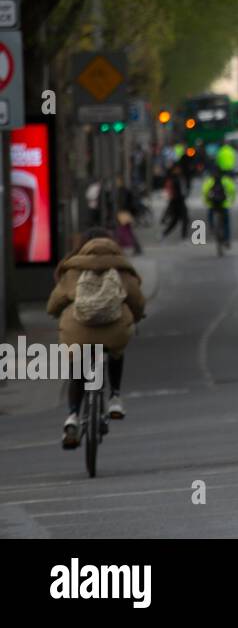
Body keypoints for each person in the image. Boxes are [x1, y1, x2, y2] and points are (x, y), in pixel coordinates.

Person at [47, 229, 146, 447]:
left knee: (78, 368)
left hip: (78, 330)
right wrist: (137, 316)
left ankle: (72, 416)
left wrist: (55, 313)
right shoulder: (121, 269)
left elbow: (54, 304)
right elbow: (137, 301)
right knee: (116, 352)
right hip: (114, 329)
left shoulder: (72, 269)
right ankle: (115, 398)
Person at [201, 164, 237, 249]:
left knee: (210, 214)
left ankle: (212, 227)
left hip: (213, 204)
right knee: (226, 222)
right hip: (224, 204)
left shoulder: (209, 181)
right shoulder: (226, 180)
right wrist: (232, 201)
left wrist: (206, 201)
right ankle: (227, 240)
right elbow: (233, 190)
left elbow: (204, 192)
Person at [111, 177, 143, 255]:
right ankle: (135, 247)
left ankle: (134, 247)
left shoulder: (122, 191)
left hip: (123, 213)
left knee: (123, 231)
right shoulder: (122, 190)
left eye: (117, 181)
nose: (116, 182)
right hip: (124, 213)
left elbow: (123, 203)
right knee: (125, 231)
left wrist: (119, 211)